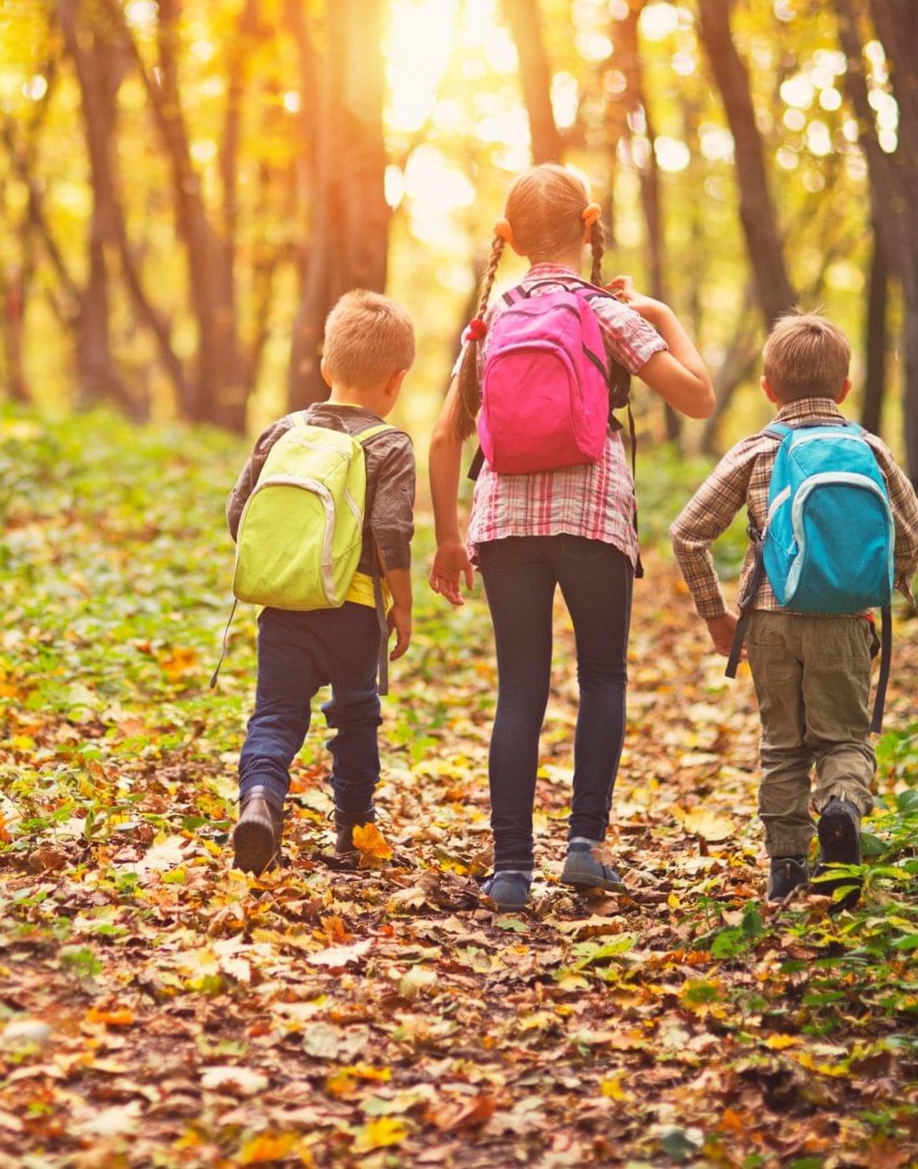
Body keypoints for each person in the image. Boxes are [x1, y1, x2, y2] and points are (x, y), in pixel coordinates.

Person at [428, 164, 715, 912]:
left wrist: (449, 540)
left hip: (504, 521)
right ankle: (585, 846)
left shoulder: (491, 320)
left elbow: (441, 437)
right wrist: (659, 313)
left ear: (508, 237)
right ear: (590, 224)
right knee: (603, 680)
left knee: (519, 689)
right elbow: (697, 396)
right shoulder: (606, 313)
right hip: (592, 512)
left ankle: (512, 867)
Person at [669, 312, 918, 905]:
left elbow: (688, 533)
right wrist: (888, 584)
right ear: (845, 389)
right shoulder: (869, 449)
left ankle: (786, 867)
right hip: (844, 621)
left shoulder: (757, 450)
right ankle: (840, 807)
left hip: (769, 620)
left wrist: (716, 615)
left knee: (783, 744)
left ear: (767, 387)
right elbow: (912, 529)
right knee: (845, 739)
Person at [226, 291, 418, 873]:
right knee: (355, 715)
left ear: (326, 367)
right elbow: (391, 533)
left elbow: (240, 514)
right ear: (397, 380)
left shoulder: (282, 432)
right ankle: (353, 830)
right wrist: (403, 607)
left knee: (276, 713)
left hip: (283, 607)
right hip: (353, 611)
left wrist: (290, 563)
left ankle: (260, 799)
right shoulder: (389, 445)